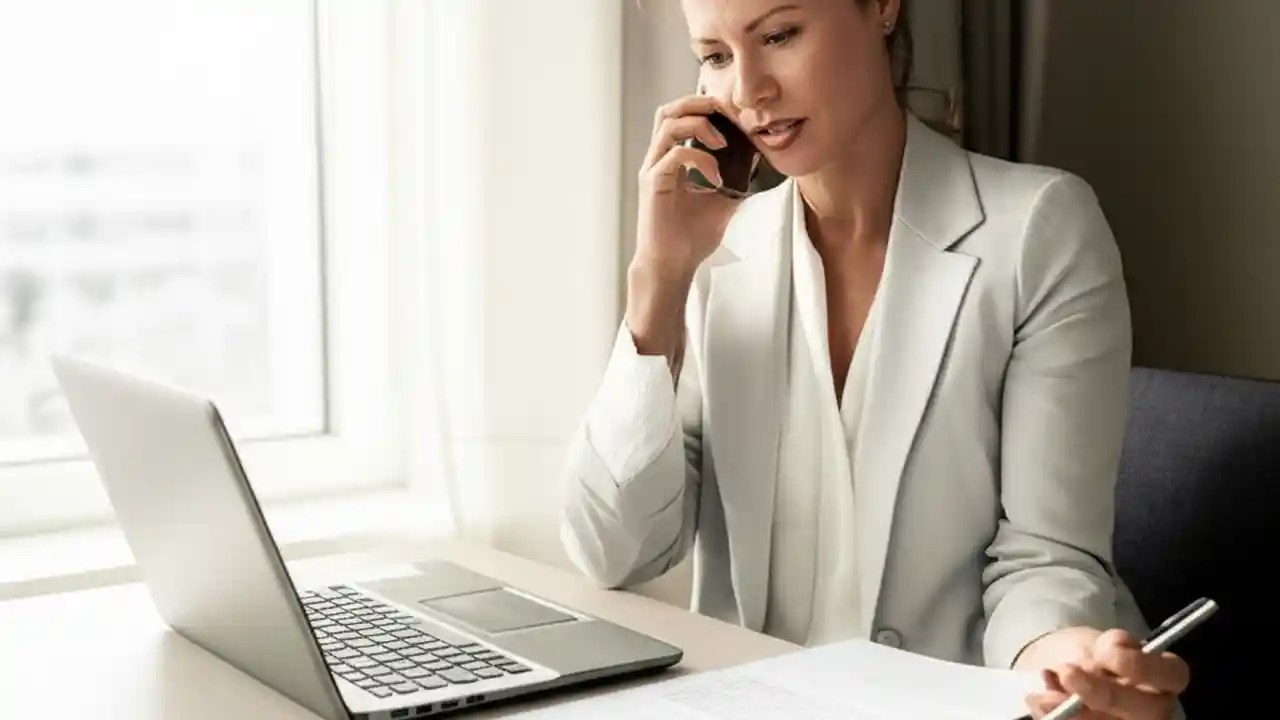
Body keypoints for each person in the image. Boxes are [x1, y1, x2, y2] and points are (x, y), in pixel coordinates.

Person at [560, 1, 1191, 718]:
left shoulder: (1040, 229)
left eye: (779, 35)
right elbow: (616, 551)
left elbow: (1041, 560)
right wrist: (658, 280)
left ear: (883, 8)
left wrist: (1062, 664)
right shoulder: (717, 254)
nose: (748, 90)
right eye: (716, 55)